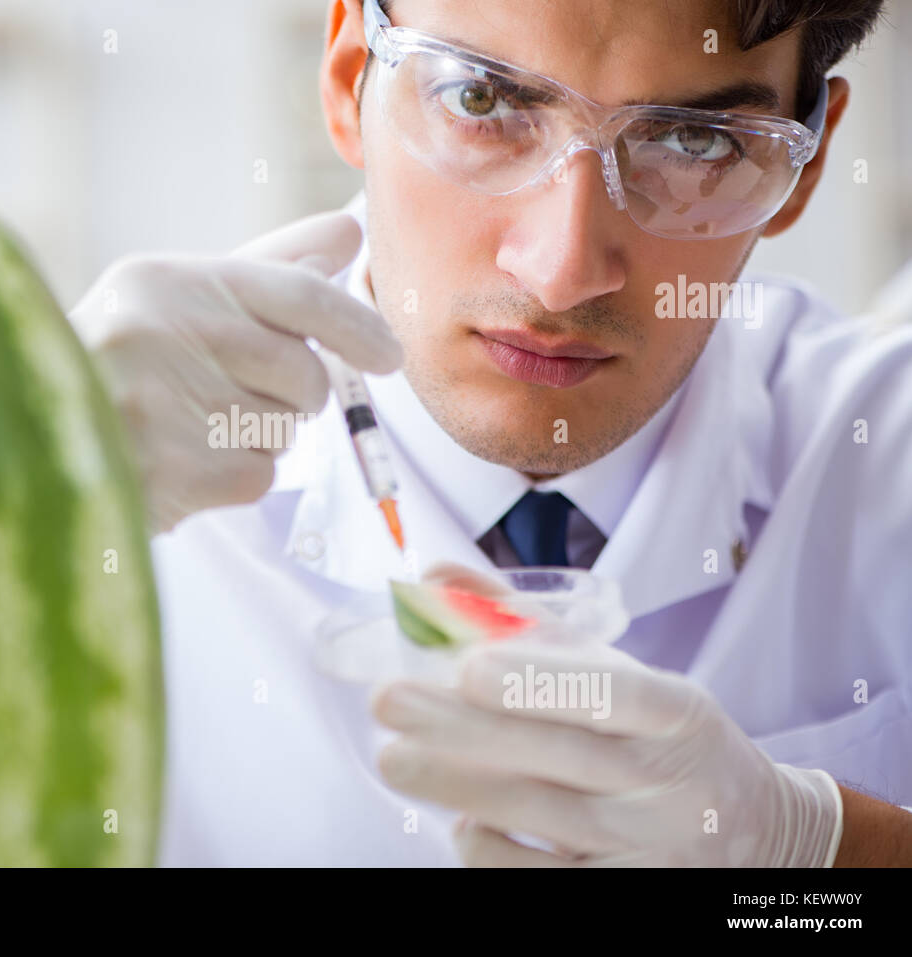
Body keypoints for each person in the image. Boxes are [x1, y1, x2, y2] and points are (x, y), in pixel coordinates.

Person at [69, 0, 912, 866]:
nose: (561, 272)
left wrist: (819, 853)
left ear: (805, 171)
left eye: (693, 142)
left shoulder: (888, 457)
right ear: (350, 75)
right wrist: (4, 484)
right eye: (482, 101)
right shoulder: (112, 473)